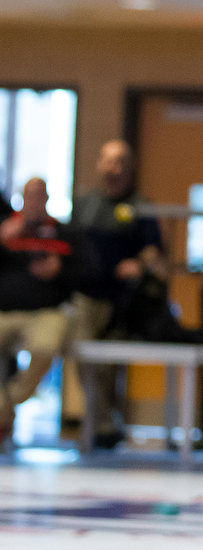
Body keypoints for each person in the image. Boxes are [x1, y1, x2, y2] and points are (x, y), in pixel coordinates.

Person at [70, 139, 165, 446]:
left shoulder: (140, 207)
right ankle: (104, 425)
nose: (112, 169)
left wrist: (138, 262)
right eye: (107, 161)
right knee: (85, 358)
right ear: (99, 165)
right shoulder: (85, 205)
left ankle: (108, 426)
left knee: (110, 367)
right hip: (86, 295)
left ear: (129, 168)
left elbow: (155, 251)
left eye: (119, 162)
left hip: (122, 299)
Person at [0, 178, 88, 438]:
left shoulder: (64, 233)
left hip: (47, 311)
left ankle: (7, 404)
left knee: (43, 348)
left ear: (47, 199)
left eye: (40, 196)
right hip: (5, 310)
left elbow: (91, 273)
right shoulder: (7, 229)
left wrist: (62, 269)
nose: (34, 202)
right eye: (29, 196)